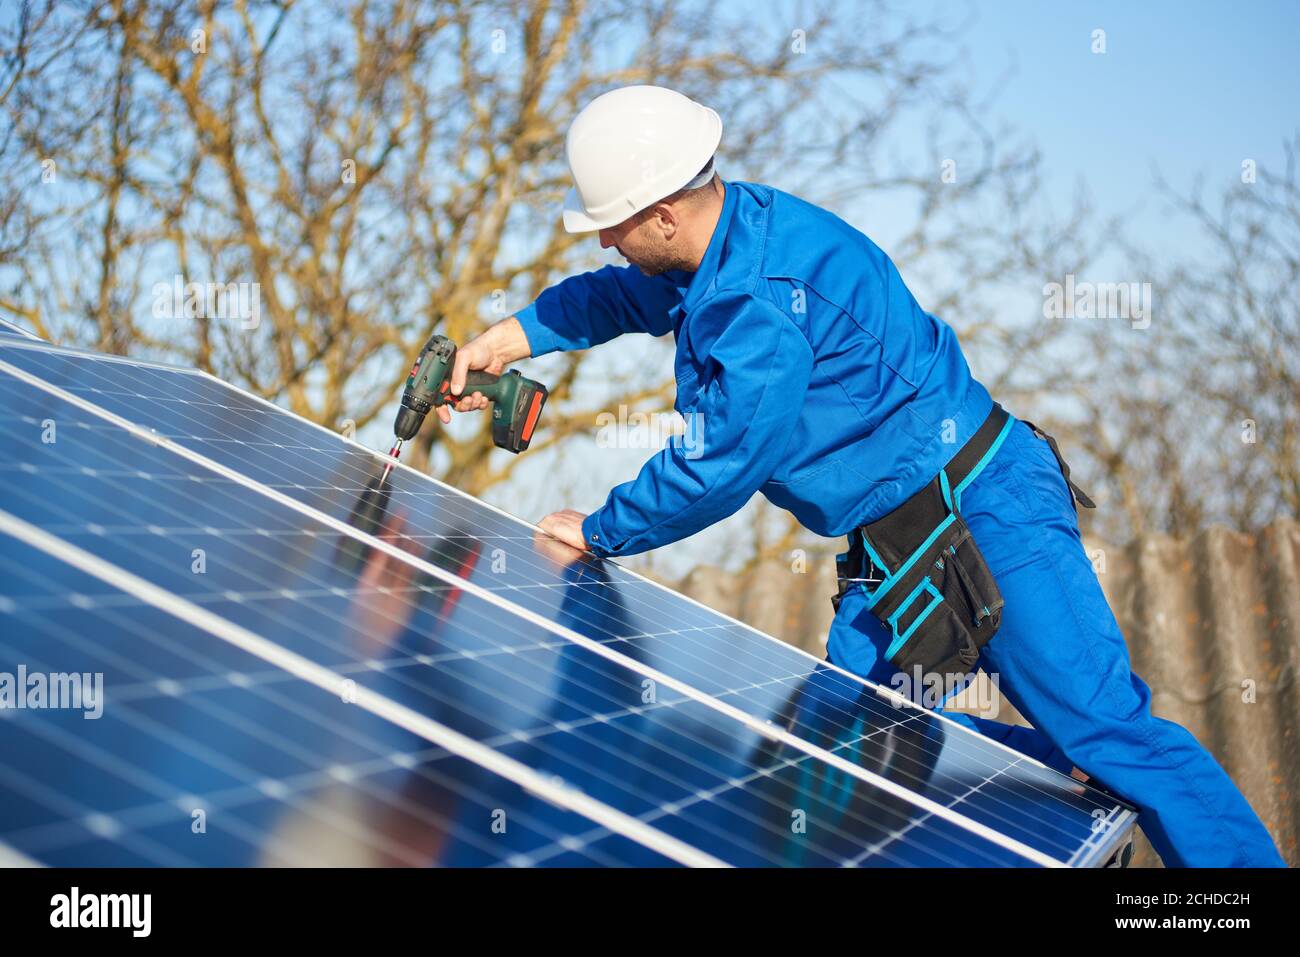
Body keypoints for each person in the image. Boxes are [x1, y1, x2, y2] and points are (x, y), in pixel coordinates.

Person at [439, 85, 1285, 867]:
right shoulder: (719, 244)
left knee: (1108, 732)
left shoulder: (757, 299)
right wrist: (503, 343)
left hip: (986, 511)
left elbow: (723, 463)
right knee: (847, 748)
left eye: (615, 225)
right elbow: (614, 299)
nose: (604, 241)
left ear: (662, 214)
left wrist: (598, 530)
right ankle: (1069, 796)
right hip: (897, 547)